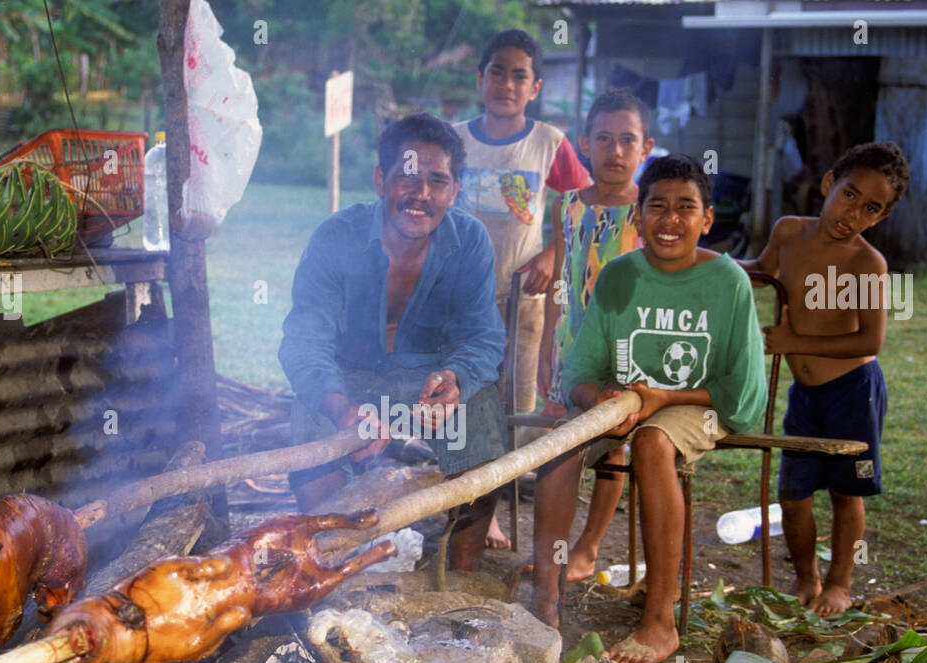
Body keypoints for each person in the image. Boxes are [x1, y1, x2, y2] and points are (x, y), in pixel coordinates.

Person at [531, 154, 766, 663]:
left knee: (653, 443)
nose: (670, 219)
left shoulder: (728, 282)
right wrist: (600, 401)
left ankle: (660, 621)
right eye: (657, 206)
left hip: (695, 404)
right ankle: (547, 594)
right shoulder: (618, 277)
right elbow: (580, 373)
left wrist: (663, 399)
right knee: (560, 445)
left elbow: (743, 392)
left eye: (686, 208)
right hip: (626, 403)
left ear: (707, 219)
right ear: (638, 216)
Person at [278, 112, 506, 570]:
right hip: (350, 383)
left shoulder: (470, 242)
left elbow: (482, 336)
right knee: (309, 414)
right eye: (407, 176)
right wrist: (340, 407)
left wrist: (456, 377)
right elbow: (303, 338)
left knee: (480, 412)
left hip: (423, 388)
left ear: (454, 190)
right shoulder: (336, 236)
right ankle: (332, 564)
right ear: (381, 180)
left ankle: (460, 580)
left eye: (437, 181)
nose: (421, 194)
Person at [738, 141, 909, 615]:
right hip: (805, 396)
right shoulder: (789, 233)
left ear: (879, 218)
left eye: (870, 208)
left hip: (854, 393)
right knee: (793, 496)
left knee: (846, 492)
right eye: (850, 194)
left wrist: (795, 342)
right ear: (829, 183)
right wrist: (706, 263)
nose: (853, 213)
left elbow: (870, 341)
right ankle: (805, 578)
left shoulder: (866, 264)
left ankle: (839, 582)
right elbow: (758, 272)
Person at [453, 28, 591, 548]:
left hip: (521, 300)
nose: (506, 84)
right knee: (468, 396)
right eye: (496, 72)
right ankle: (472, 506)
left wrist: (553, 253)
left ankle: (499, 503)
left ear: (534, 88)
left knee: (513, 400)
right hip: (462, 299)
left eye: (519, 76)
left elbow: (581, 205)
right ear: (480, 79)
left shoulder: (548, 143)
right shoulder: (456, 139)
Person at [534, 87, 654, 582]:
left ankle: (588, 546)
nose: (616, 150)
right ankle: (550, 557)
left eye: (628, 140)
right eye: (604, 138)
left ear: (646, 148)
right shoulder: (566, 205)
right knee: (558, 444)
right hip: (569, 347)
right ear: (584, 143)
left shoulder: (651, 210)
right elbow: (561, 279)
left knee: (611, 448)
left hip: (625, 351)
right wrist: (546, 342)